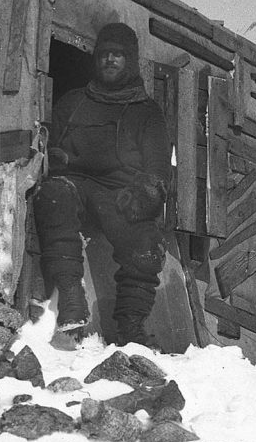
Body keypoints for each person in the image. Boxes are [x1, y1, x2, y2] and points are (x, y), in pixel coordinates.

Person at [33, 22, 171, 346]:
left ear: (131, 61)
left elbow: (158, 170)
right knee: (54, 196)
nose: (110, 60)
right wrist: (55, 157)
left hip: (120, 195)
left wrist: (142, 196)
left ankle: (131, 327)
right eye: (105, 54)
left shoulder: (147, 112)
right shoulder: (74, 102)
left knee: (145, 240)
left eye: (118, 55)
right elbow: (47, 141)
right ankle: (71, 299)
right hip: (76, 186)